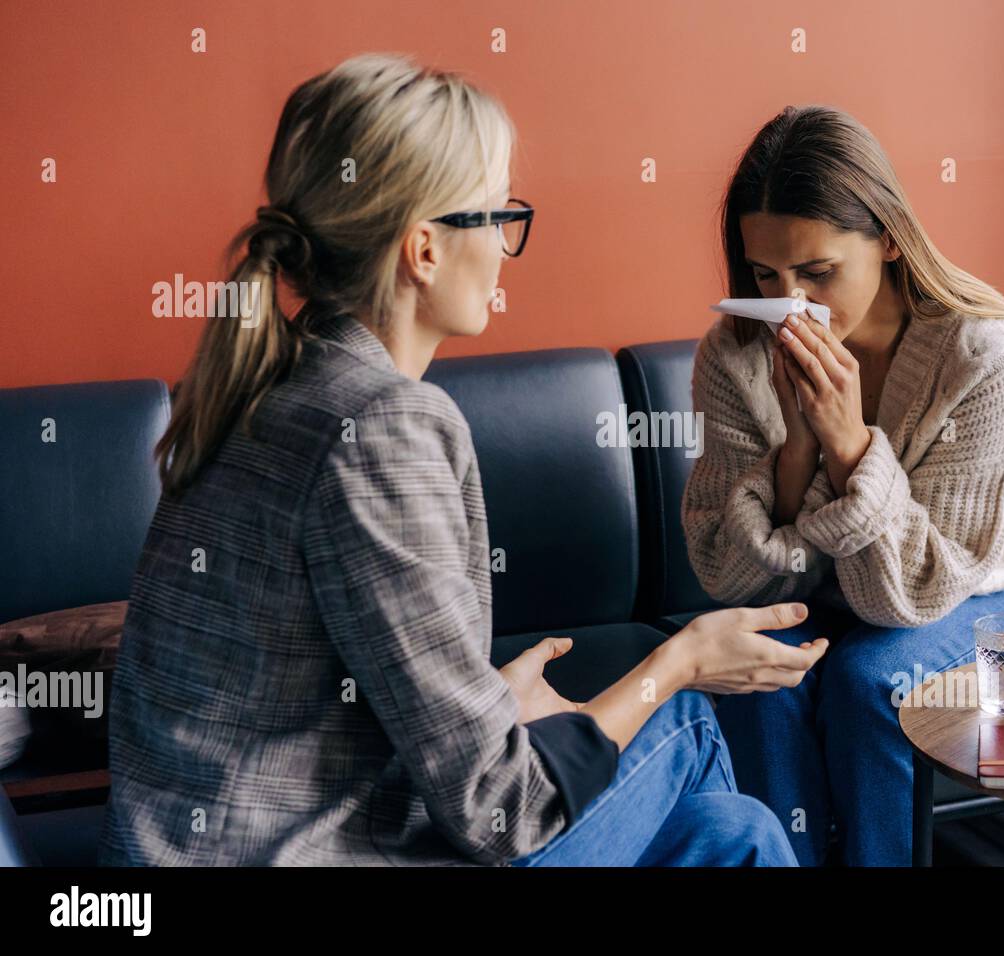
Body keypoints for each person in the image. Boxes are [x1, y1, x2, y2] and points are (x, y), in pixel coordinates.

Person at [99, 54, 827, 867]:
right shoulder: (382, 425)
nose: (508, 249)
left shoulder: (267, 387)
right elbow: (500, 812)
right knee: (688, 723)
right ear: (424, 251)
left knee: (736, 837)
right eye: (498, 216)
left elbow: (330, 680)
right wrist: (682, 660)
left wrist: (490, 705)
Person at [682, 105, 1004, 866]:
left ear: (888, 237)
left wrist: (851, 448)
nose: (793, 304)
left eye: (818, 272)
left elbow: (910, 596)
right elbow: (728, 578)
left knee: (869, 680)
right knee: (756, 672)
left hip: (975, 588)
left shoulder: (984, 353)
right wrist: (793, 458)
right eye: (766, 275)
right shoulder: (734, 354)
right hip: (825, 590)